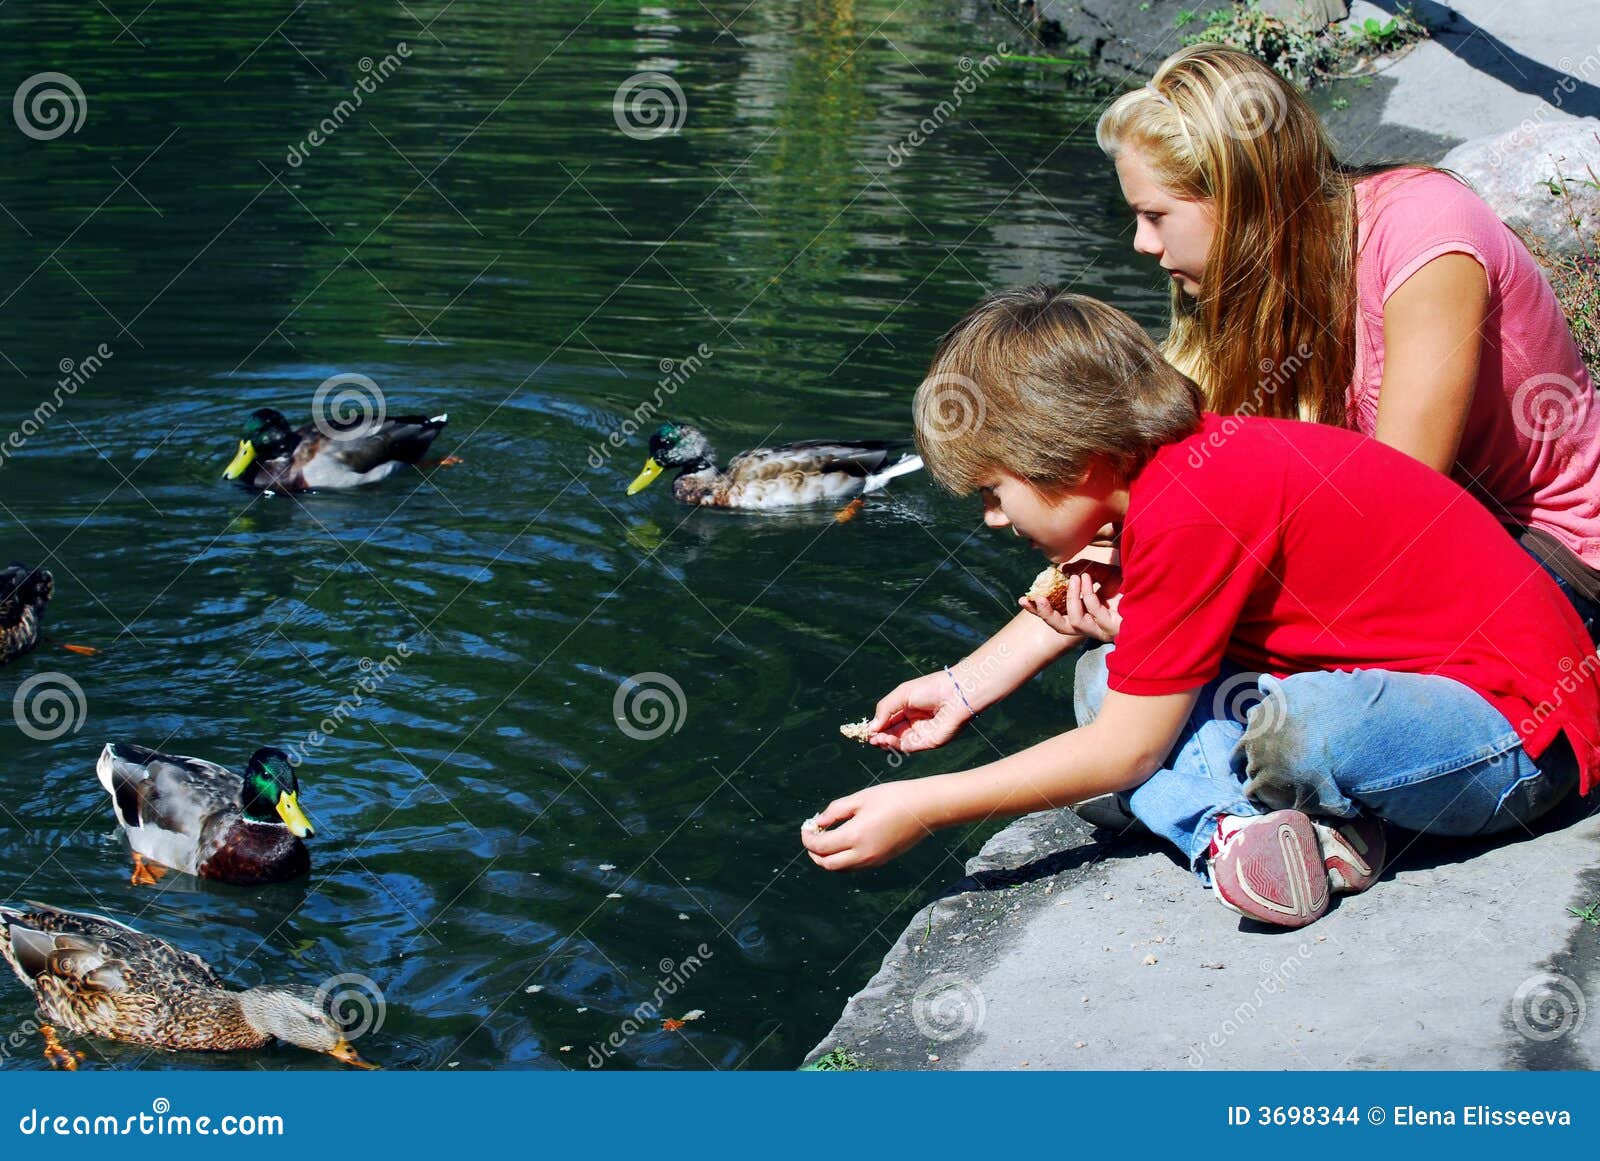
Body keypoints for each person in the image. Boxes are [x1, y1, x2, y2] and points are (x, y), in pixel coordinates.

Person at [800, 287, 1600, 929]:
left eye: (994, 491)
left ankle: (1231, 825)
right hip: (1403, 698)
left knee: (1293, 727)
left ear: (1070, 457)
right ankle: (1259, 839)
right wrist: (963, 687)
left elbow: (1124, 752)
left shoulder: (1192, 505)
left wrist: (923, 805)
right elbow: (1100, 600)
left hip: (1516, 737)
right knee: (1106, 678)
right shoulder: (1173, 474)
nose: (995, 518)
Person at [1090, 44, 1600, 639]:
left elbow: (1398, 513)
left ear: (1240, 196)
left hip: (1553, 551)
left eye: (1154, 215)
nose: (1141, 245)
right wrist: (973, 679)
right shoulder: (1249, 285)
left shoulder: (1422, 232)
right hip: (1435, 552)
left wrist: (1182, 603)